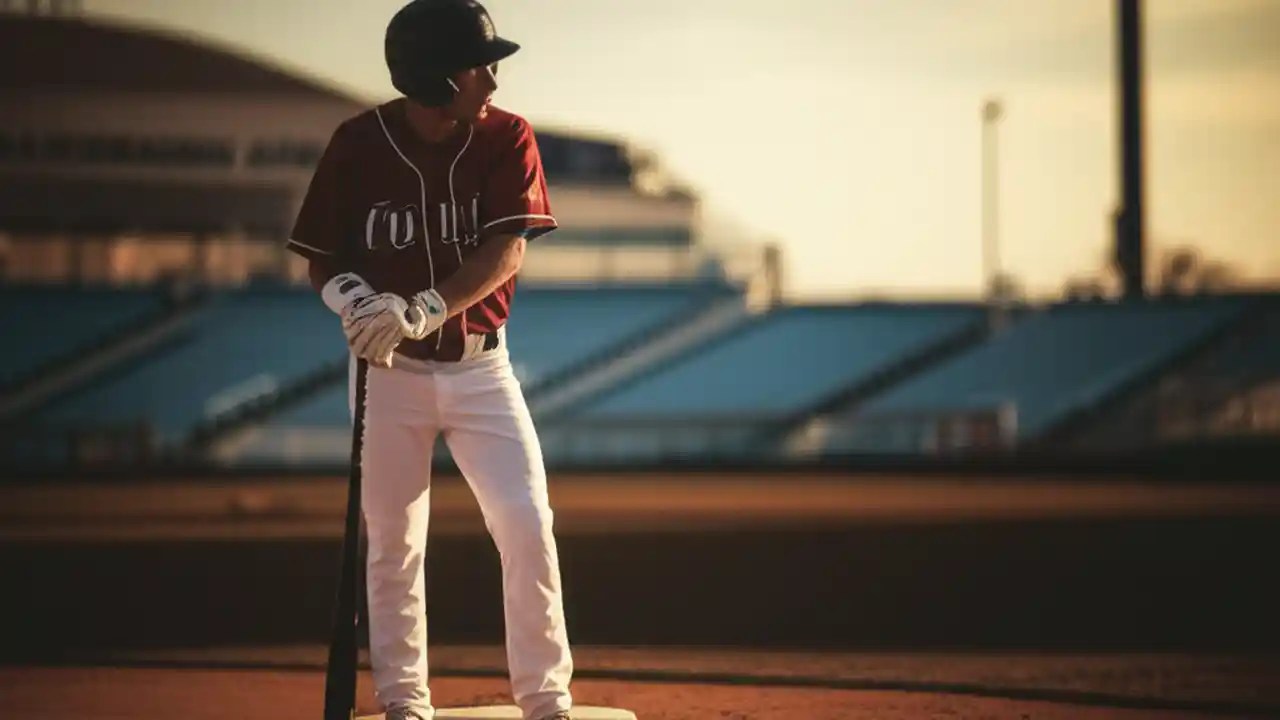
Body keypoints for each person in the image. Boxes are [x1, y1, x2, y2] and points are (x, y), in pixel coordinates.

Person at [285, 2, 573, 718]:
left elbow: (507, 248)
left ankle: (547, 700)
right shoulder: (358, 142)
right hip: (389, 374)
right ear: (437, 78)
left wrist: (423, 307)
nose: (493, 81)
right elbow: (322, 259)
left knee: (526, 522)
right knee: (394, 541)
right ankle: (404, 702)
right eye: (479, 67)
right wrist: (353, 300)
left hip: (481, 367)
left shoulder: (508, 136)